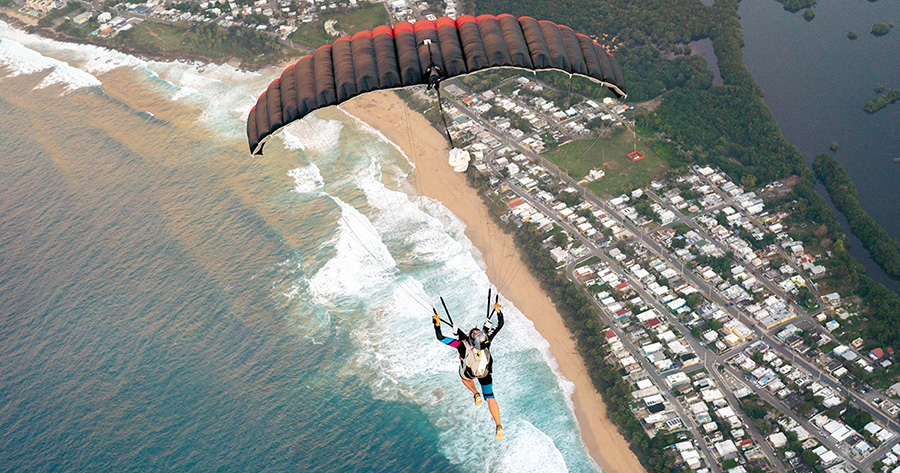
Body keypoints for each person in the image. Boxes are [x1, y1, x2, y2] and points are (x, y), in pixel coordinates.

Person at [433, 303, 505, 439]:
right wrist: (498, 311)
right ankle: (498, 425)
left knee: (464, 378)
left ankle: (475, 393)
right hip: (485, 372)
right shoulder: (487, 340)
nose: (474, 332)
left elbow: (440, 337)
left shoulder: (461, 344)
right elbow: (500, 324)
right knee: (490, 397)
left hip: (469, 373)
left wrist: (436, 323)